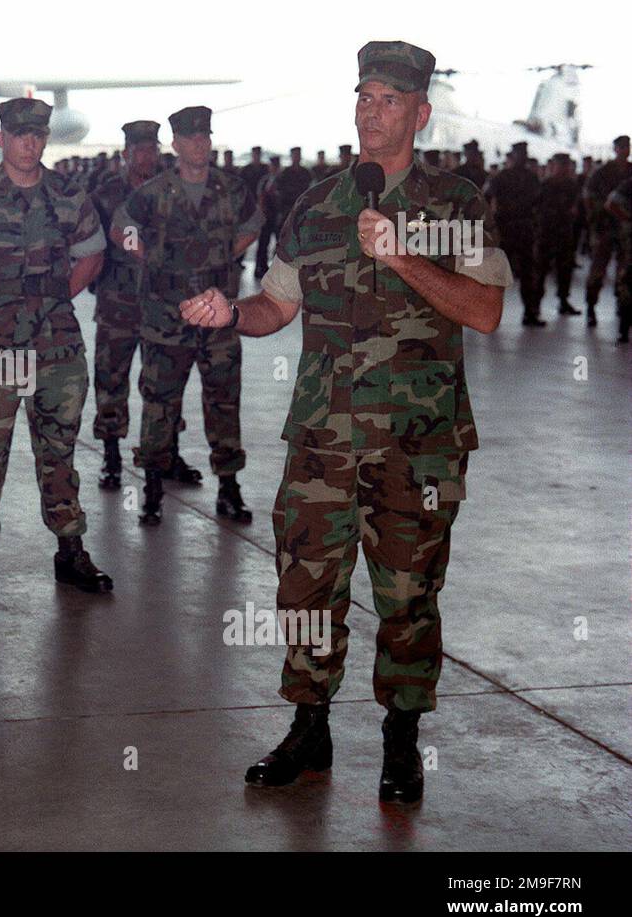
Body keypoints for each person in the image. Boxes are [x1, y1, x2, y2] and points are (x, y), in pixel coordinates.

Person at [186, 40, 510, 804]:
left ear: (420, 113)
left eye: (388, 99)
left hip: (417, 446)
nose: (370, 110)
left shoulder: (456, 202)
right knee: (305, 585)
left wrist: (402, 257)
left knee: (408, 592)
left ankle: (401, 736)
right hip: (323, 440)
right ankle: (309, 726)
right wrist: (232, 312)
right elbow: (279, 304)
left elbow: (486, 311)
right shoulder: (321, 203)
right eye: (363, 95)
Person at [0, 97, 113, 597]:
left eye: (37, 135)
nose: (29, 143)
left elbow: (93, 254)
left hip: (56, 345)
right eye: (20, 135)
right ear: (1, 139)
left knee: (59, 449)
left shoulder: (69, 194)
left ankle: (70, 548)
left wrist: (52, 300)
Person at [112, 106, 260, 526]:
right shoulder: (154, 192)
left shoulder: (231, 188)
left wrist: (224, 257)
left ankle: (229, 488)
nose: (201, 144)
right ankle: (154, 488)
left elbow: (254, 224)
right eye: (192, 138)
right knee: (159, 404)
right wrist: (154, 260)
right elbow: (121, 229)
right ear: (175, 145)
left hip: (218, 318)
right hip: (166, 317)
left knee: (224, 402)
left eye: (206, 137)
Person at [90, 120, 160, 490]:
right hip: (116, 301)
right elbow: (90, 243)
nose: (147, 156)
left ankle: (163, 451)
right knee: (111, 377)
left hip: (160, 303)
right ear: (126, 153)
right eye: (140, 150)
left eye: (153, 149)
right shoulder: (105, 195)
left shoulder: (171, 191)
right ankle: (112, 453)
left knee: (162, 380)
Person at [487, 141, 544, 325]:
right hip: (505, 230)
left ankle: (530, 312)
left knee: (528, 273)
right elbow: (485, 198)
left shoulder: (531, 177)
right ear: (513, 155)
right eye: (520, 153)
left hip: (524, 230)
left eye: (525, 153)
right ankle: (490, 312)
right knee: (498, 274)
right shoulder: (502, 177)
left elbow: (538, 202)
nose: (523, 157)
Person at [583, 135, 632, 327]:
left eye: (627, 146)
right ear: (615, 149)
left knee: (625, 272)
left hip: (625, 231)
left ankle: (623, 311)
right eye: (622, 147)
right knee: (598, 270)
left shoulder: (630, 170)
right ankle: (591, 307)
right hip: (605, 228)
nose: (625, 150)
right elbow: (588, 195)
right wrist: (594, 219)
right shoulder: (602, 171)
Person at [537, 153, 582, 317]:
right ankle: (535, 306)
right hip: (546, 232)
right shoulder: (545, 185)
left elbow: (575, 205)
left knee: (565, 269)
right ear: (553, 166)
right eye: (560, 165)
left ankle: (563, 301)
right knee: (540, 269)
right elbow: (536, 207)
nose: (563, 169)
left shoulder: (572, 185)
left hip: (564, 232)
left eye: (566, 165)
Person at [603, 174, 632, 343]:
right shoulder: (628, 184)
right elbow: (611, 204)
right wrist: (628, 220)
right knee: (629, 282)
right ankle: (624, 328)